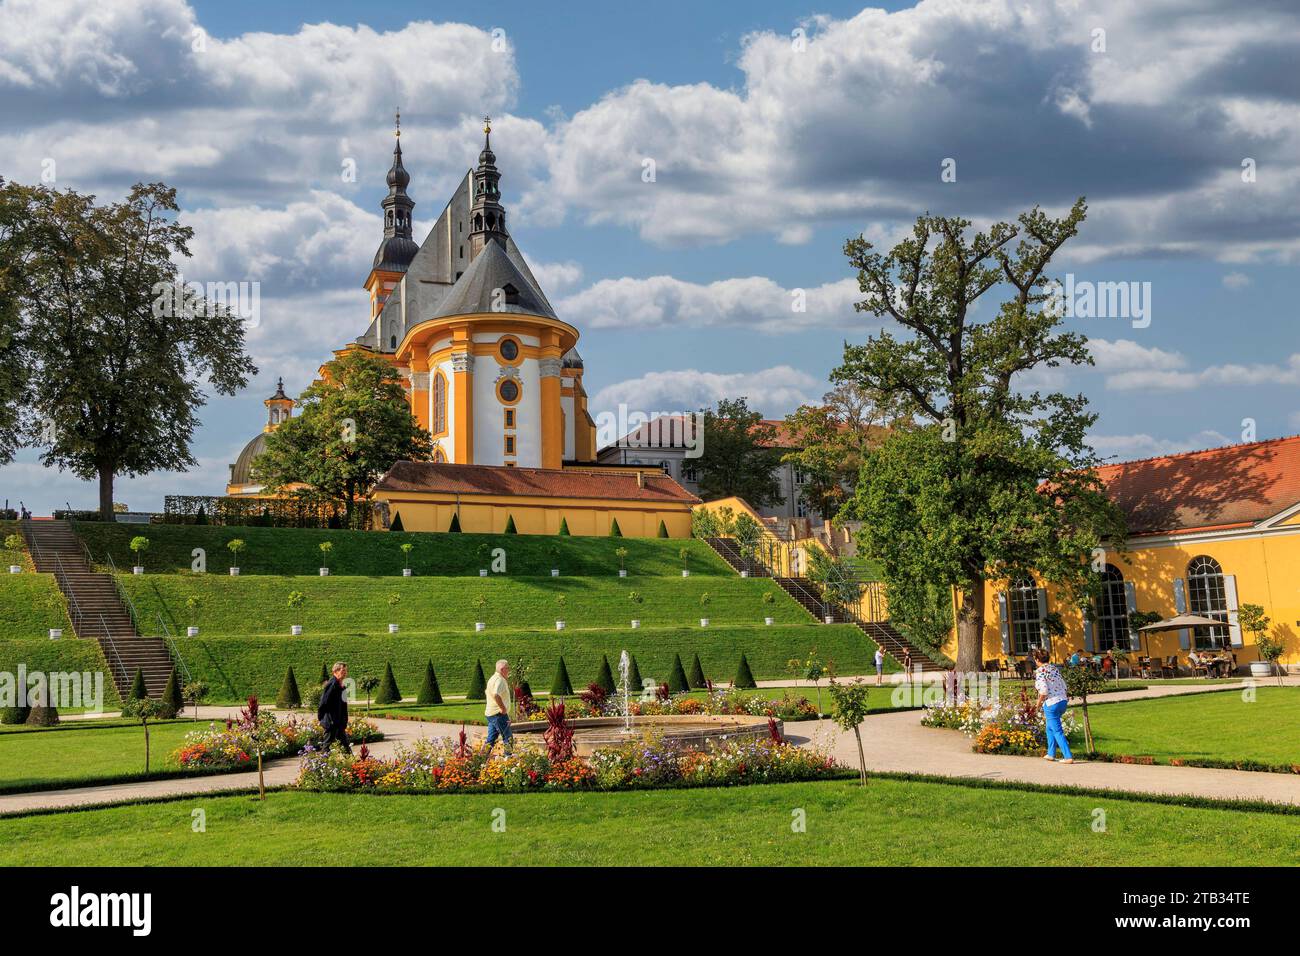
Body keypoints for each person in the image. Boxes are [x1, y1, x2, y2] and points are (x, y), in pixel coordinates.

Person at [1033, 647, 1073, 764]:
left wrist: (1038, 704)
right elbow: (1064, 685)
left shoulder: (1040, 671)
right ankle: (1051, 754)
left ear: (1037, 660)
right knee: (1049, 727)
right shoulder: (1054, 668)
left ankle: (1068, 756)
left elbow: (1044, 691)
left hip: (1051, 703)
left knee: (1057, 730)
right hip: (1062, 701)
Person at [317, 662, 351, 754]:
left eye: (346, 671)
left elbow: (343, 704)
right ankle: (323, 761)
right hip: (331, 721)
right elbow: (323, 702)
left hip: (339, 721)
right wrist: (322, 718)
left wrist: (344, 719)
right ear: (335, 671)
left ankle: (351, 761)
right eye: (343, 671)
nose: (345, 673)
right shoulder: (332, 685)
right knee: (327, 745)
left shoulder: (341, 686)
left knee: (344, 743)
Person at [484, 658, 513, 755]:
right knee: (508, 738)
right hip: (498, 714)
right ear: (502, 669)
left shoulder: (492, 678)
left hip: (491, 714)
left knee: (491, 739)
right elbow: (496, 695)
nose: (508, 670)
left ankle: (481, 759)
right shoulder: (500, 680)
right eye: (507, 668)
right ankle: (508, 760)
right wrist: (503, 709)